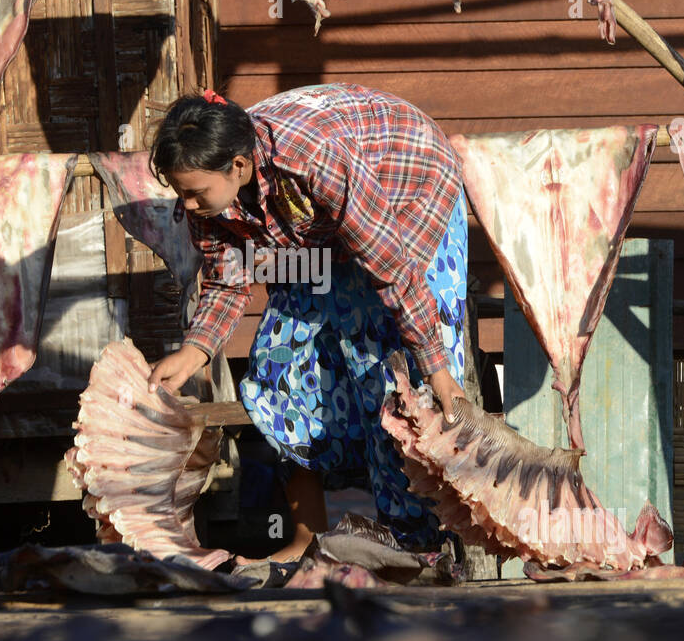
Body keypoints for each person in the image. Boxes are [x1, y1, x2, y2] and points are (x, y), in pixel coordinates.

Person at [146, 83, 469, 562]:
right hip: (318, 236)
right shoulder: (209, 200)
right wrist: (195, 351)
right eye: (179, 193)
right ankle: (305, 538)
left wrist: (439, 372)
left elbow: (395, 271)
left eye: (193, 194)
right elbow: (228, 278)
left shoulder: (312, 157)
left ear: (238, 165)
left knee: (389, 368)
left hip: (408, 191)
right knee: (280, 363)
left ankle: (417, 544)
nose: (186, 206)